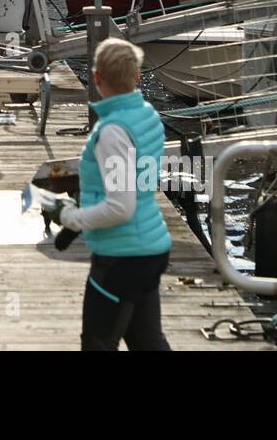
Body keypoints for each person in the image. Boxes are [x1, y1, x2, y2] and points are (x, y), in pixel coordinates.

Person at [47, 37, 173, 351]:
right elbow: (130, 185)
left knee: (98, 343)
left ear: (97, 77)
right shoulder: (147, 116)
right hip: (149, 247)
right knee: (147, 341)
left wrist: (70, 217)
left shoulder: (113, 133)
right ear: (136, 76)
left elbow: (120, 206)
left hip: (122, 257)